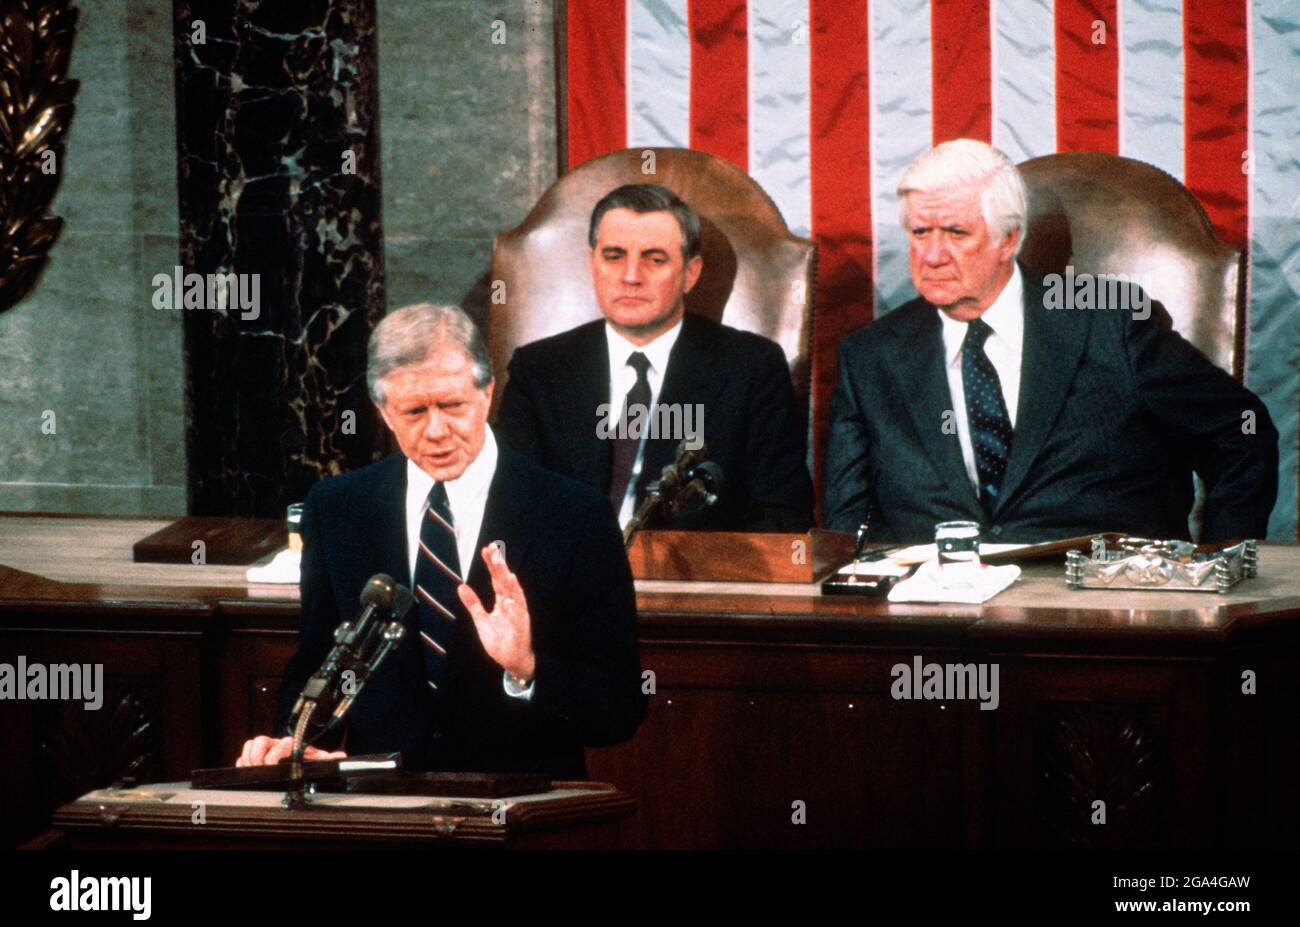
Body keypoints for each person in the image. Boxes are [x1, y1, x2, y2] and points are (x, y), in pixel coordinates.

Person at [238, 304, 645, 778]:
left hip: (519, 813)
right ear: (384, 413)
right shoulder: (338, 508)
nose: (436, 431)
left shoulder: (575, 514)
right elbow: (319, 664)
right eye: (414, 411)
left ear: (487, 393)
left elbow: (620, 708)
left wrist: (527, 668)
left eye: (452, 406)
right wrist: (298, 741)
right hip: (385, 814)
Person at [823, 139, 1278, 544]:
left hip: (1100, 612)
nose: (933, 256)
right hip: (937, 621)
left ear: (1008, 239)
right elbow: (847, 529)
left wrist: (1221, 560)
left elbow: (1241, 429)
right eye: (921, 233)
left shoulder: (1109, 319)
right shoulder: (871, 355)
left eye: (956, 233)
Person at [495, 183, 814, 533]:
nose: (631, 277)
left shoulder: (751, 368)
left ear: (690, 273)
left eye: (655, 259)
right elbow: (508, 506)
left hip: (696, 580)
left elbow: (783, 516)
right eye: (614, 256)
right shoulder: (540, 370)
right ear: (592, 263)